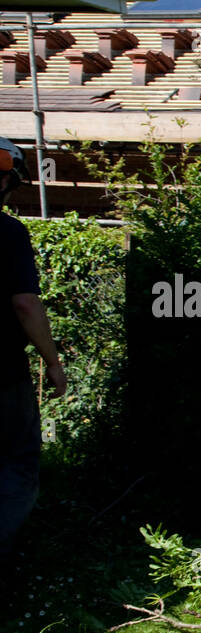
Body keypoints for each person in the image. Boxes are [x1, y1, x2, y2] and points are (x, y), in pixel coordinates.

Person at [0, 137, 65, 565]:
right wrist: (54, 364)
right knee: (15, 465)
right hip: (1, 377)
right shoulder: (6, 233)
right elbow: (25, 304)